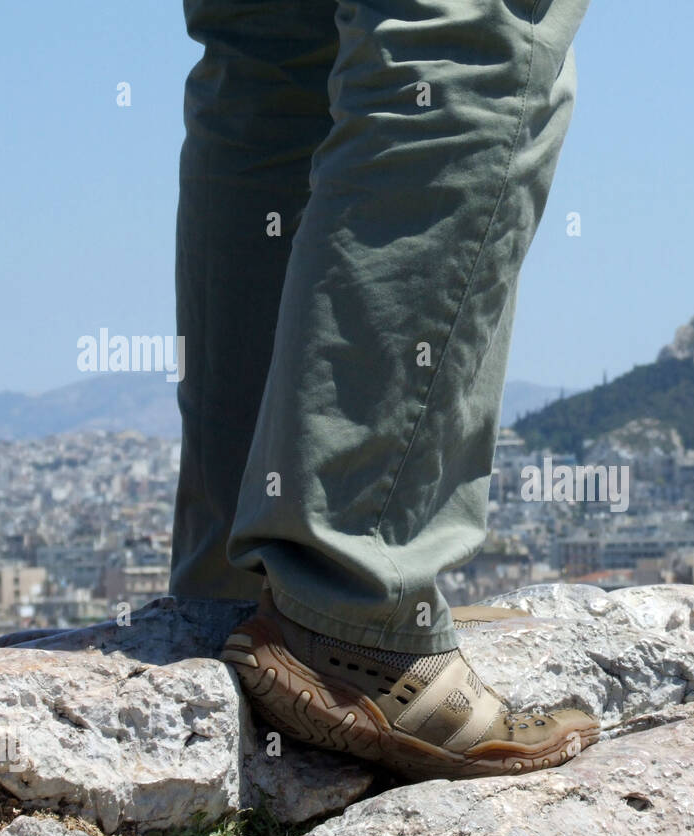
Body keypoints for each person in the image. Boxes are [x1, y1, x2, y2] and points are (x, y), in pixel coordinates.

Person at [170, 0, 597, 780]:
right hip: (351, 618)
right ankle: (352, 605)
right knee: (469, 31)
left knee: (273, 49)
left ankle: (241, 594)